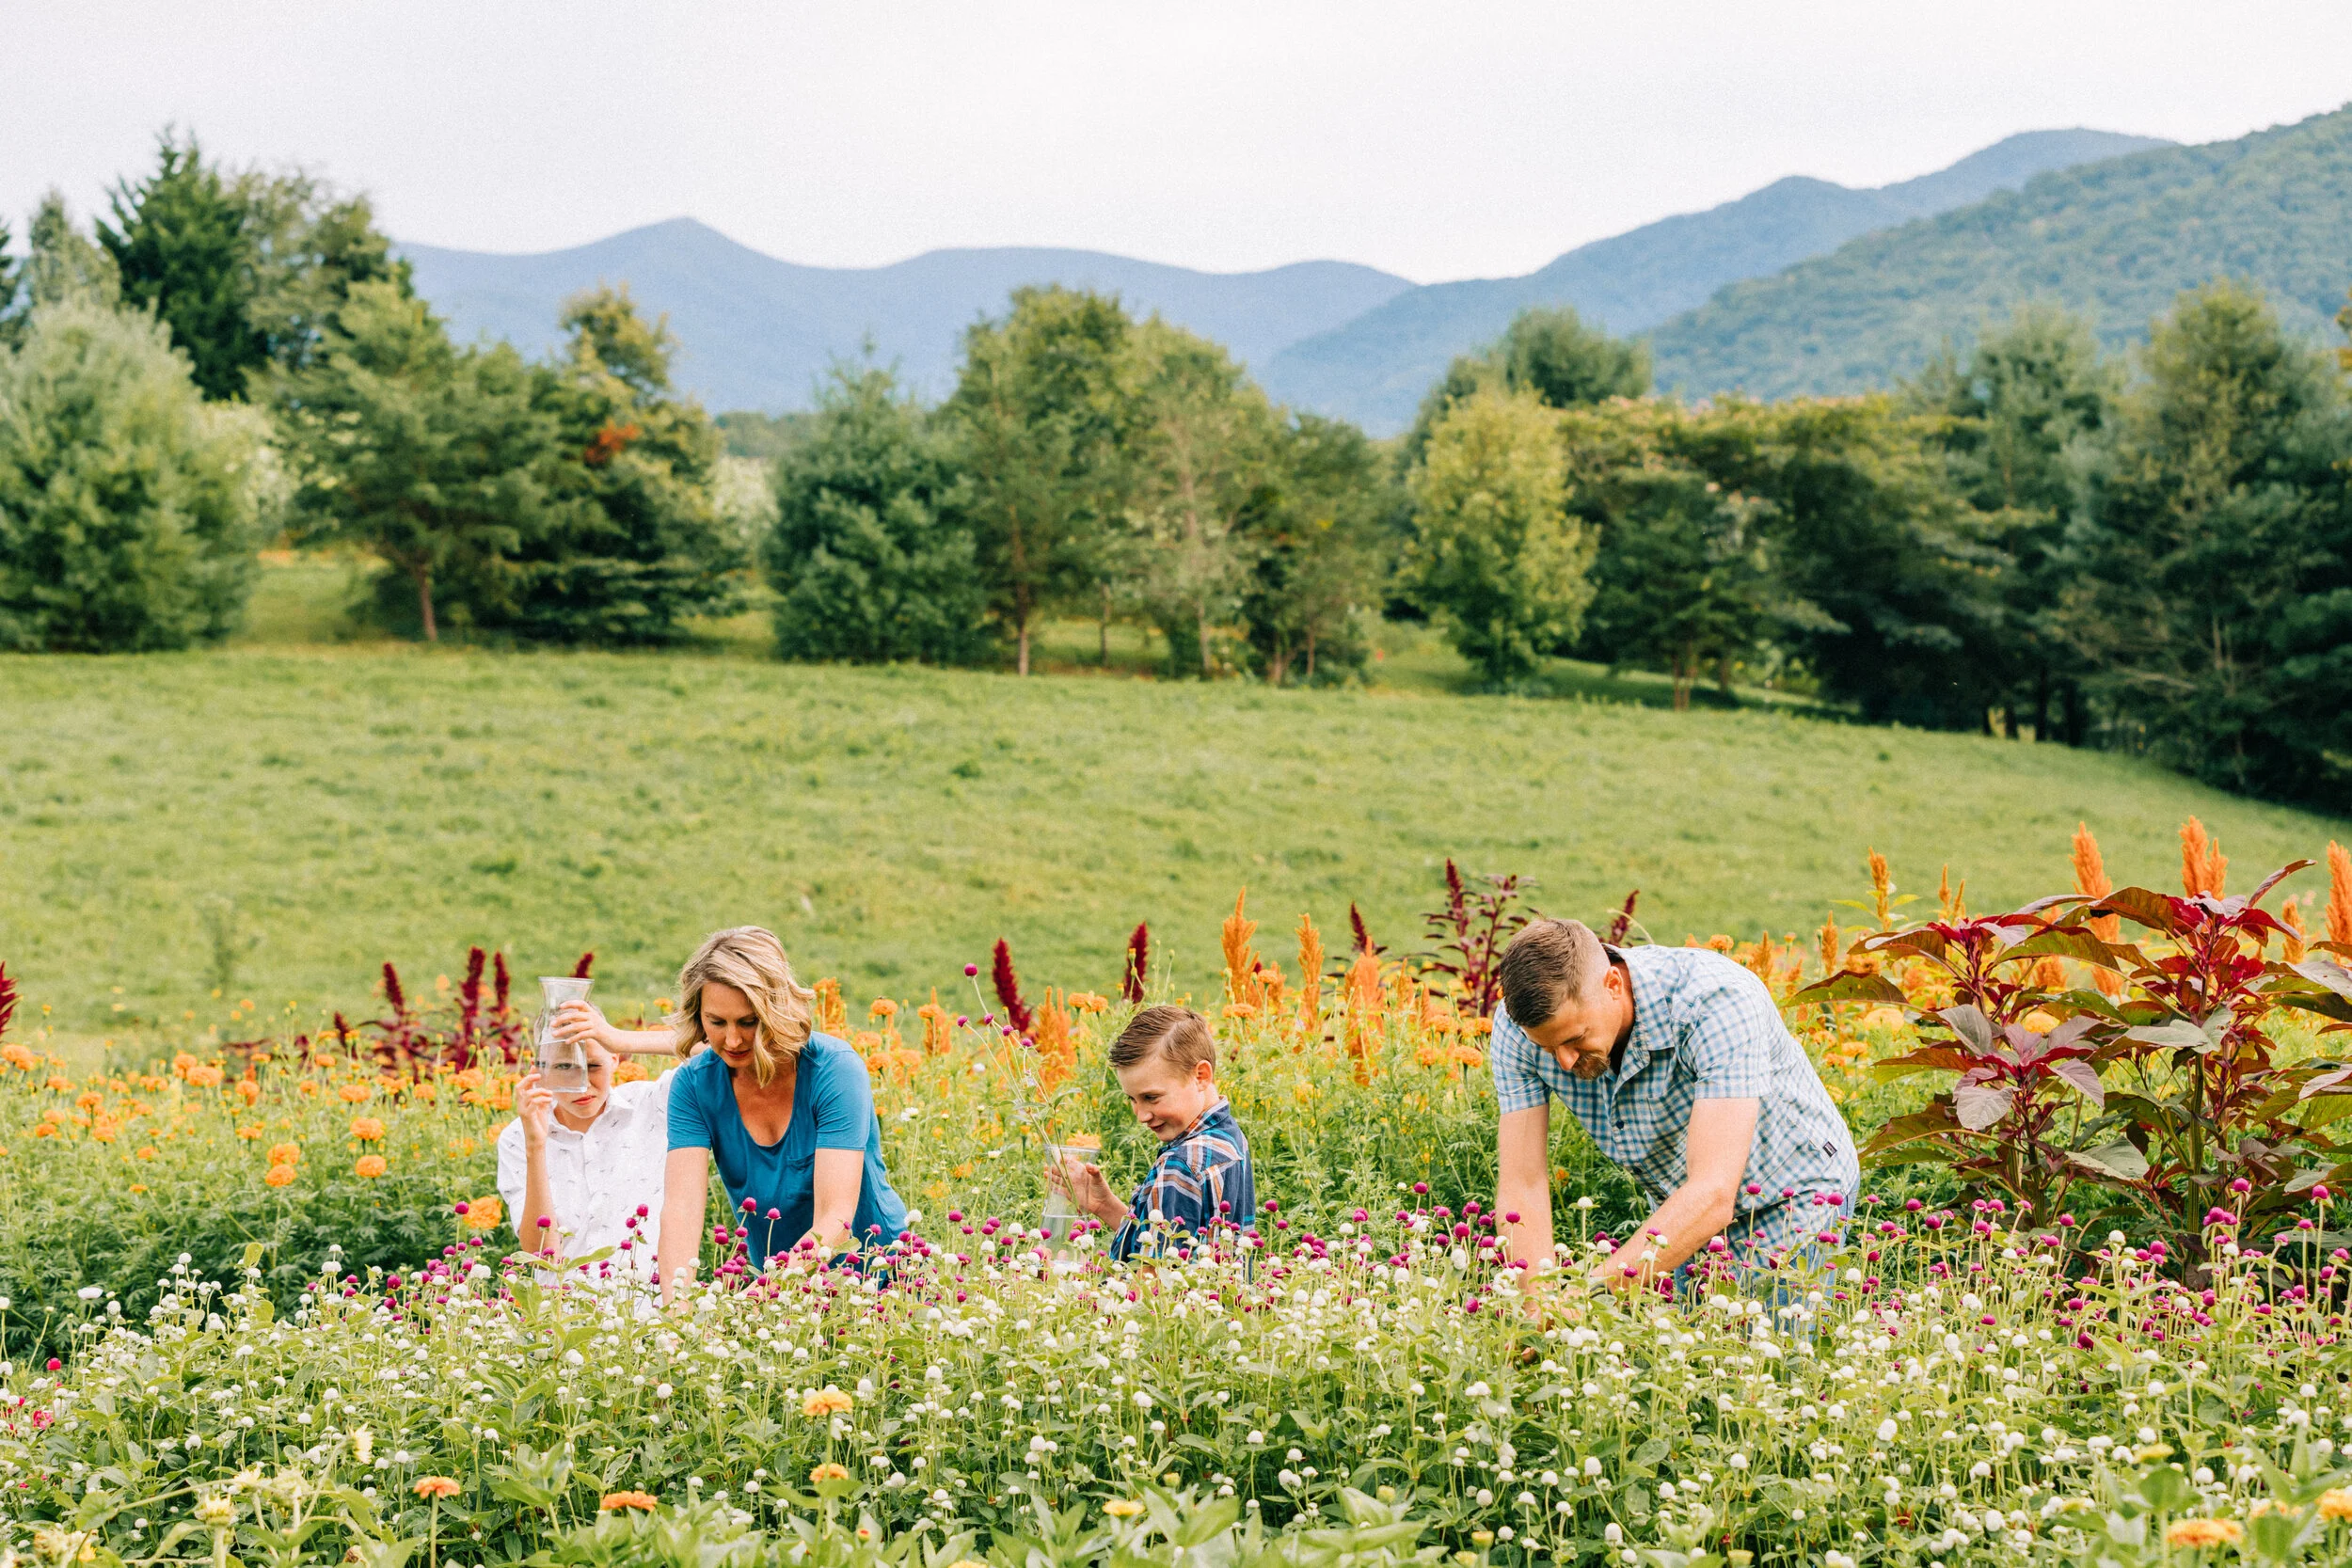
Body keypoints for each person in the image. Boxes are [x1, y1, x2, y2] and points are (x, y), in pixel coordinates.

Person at [1488, 918, 1858, 1297]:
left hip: (1795, 1189)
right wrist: (1536, 1306)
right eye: (1548, 1049)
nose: (1564, 1062)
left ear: (1613, 985)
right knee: (1698, 1350)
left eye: (1575, 1039)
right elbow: (1523, 1183)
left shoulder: (1715, 1002)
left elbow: (1713, 1191)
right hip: (1685, 1200)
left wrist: (1587, 1296)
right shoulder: (1518, 1031)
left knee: (1772, 1346)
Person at [567, 927, 907, 1301]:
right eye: (717, 1023)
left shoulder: (834, 1070)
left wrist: (753, 1303)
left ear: (776, 1011)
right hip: (776, 1298)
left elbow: (836, 1219)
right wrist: (676, 1319)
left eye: (748, 1022)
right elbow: (680, 1213)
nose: (732, 1040)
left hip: (879, 1284)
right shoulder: (695, 1086)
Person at [1050, 1004, 1255, 1261]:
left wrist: (1072, 1285)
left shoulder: (1180, 1164)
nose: (1141, 1115)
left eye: (1151, 1097)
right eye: (1133, 1099)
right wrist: (1104, 1205)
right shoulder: (1230, 1138)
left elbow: (1154, 1284)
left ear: (1200, 1076)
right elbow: (1171, 1246)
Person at [496, 1034, 674, 1281]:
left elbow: (714, 1048)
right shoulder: (517, 1137)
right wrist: (535, 1147)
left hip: (645, 1305)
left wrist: (620, 1038)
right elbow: (543, 1256)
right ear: (540, 1072)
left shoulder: (652, 1105)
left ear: (614, 1059)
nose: (582, 1084)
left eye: (593, 1066)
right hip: (561, 1311)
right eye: (564, 1067)